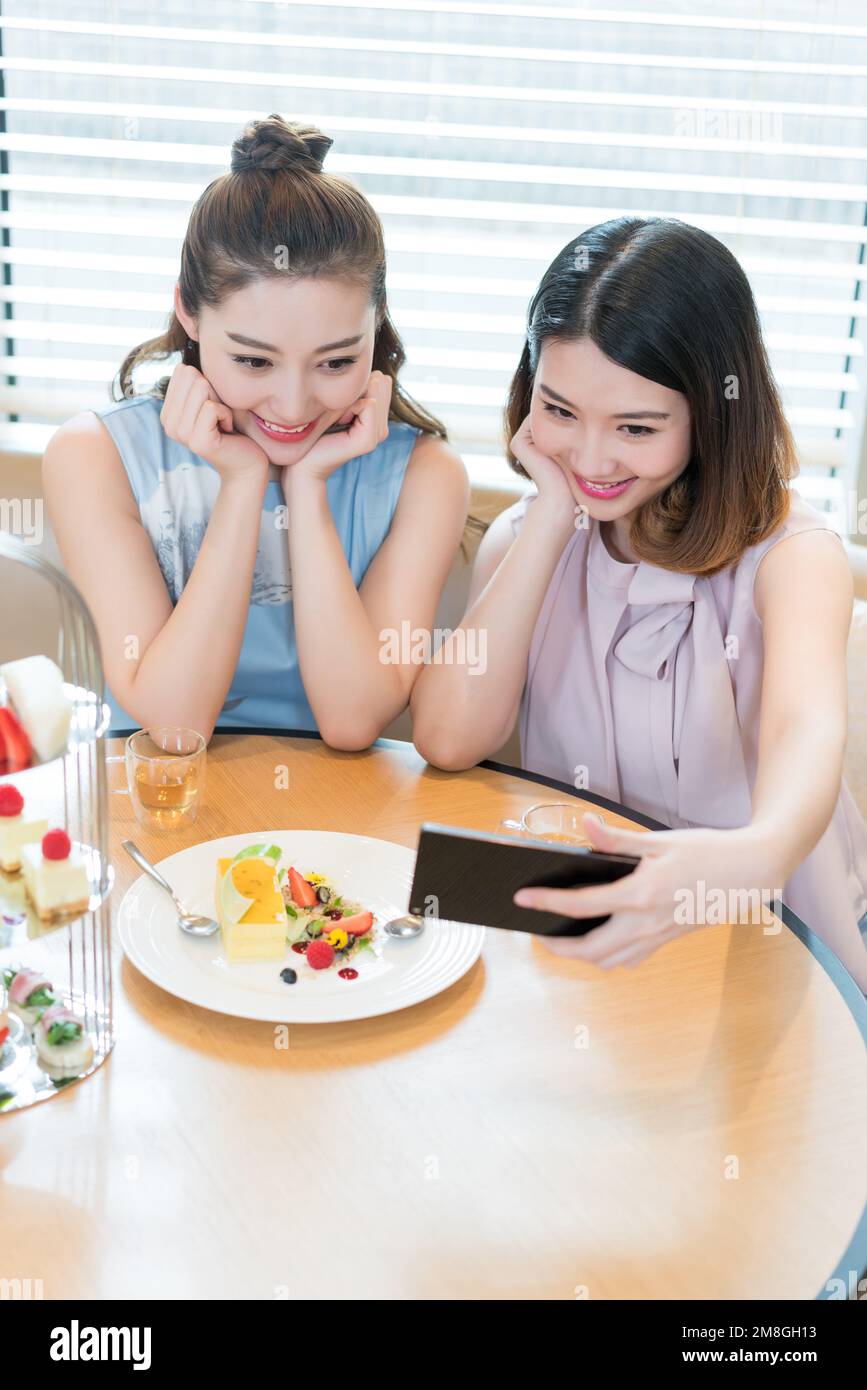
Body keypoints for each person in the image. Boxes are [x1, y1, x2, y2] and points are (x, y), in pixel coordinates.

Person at [410, 216, 867, 991]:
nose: (590, 459)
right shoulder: (529, 539)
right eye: (559, 411)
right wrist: (552, 517)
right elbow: (449, 737)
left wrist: (743, 858)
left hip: (774, 952)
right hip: (598, 952)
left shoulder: (792, 558)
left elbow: (805, 735)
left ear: (712, 414)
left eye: (634, 427)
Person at [43, 115, 469, 748]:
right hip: (157, 811)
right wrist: (242, 483)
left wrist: (310, 486)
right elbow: (175, 725)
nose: (294, 405)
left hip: (332, 824)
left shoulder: (425, 477)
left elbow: (353, 723)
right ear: (188, 309)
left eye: (336, 362)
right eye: (253, 361)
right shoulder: (95, 456)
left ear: (377, 330)